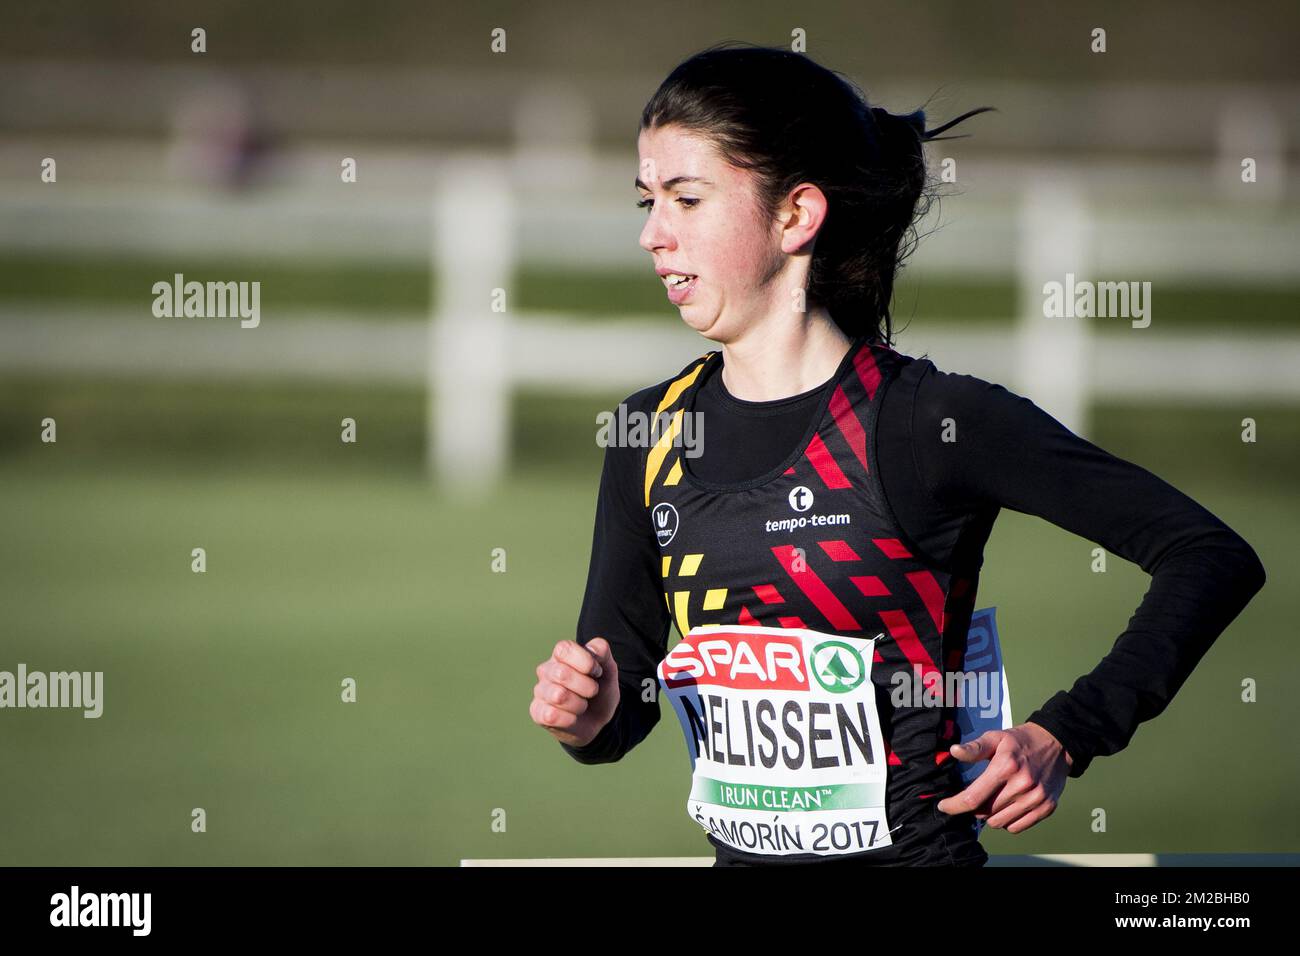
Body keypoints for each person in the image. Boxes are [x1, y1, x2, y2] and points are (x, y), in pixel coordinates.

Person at [528, 43, 1266, 866]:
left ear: (795, 216)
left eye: (686, 199)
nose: (651, 235)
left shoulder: (928, 423)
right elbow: (622, 701)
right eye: (646, 200)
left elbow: (1207, 556)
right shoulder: (649, 434)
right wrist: (587, 715)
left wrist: (1068, 732)